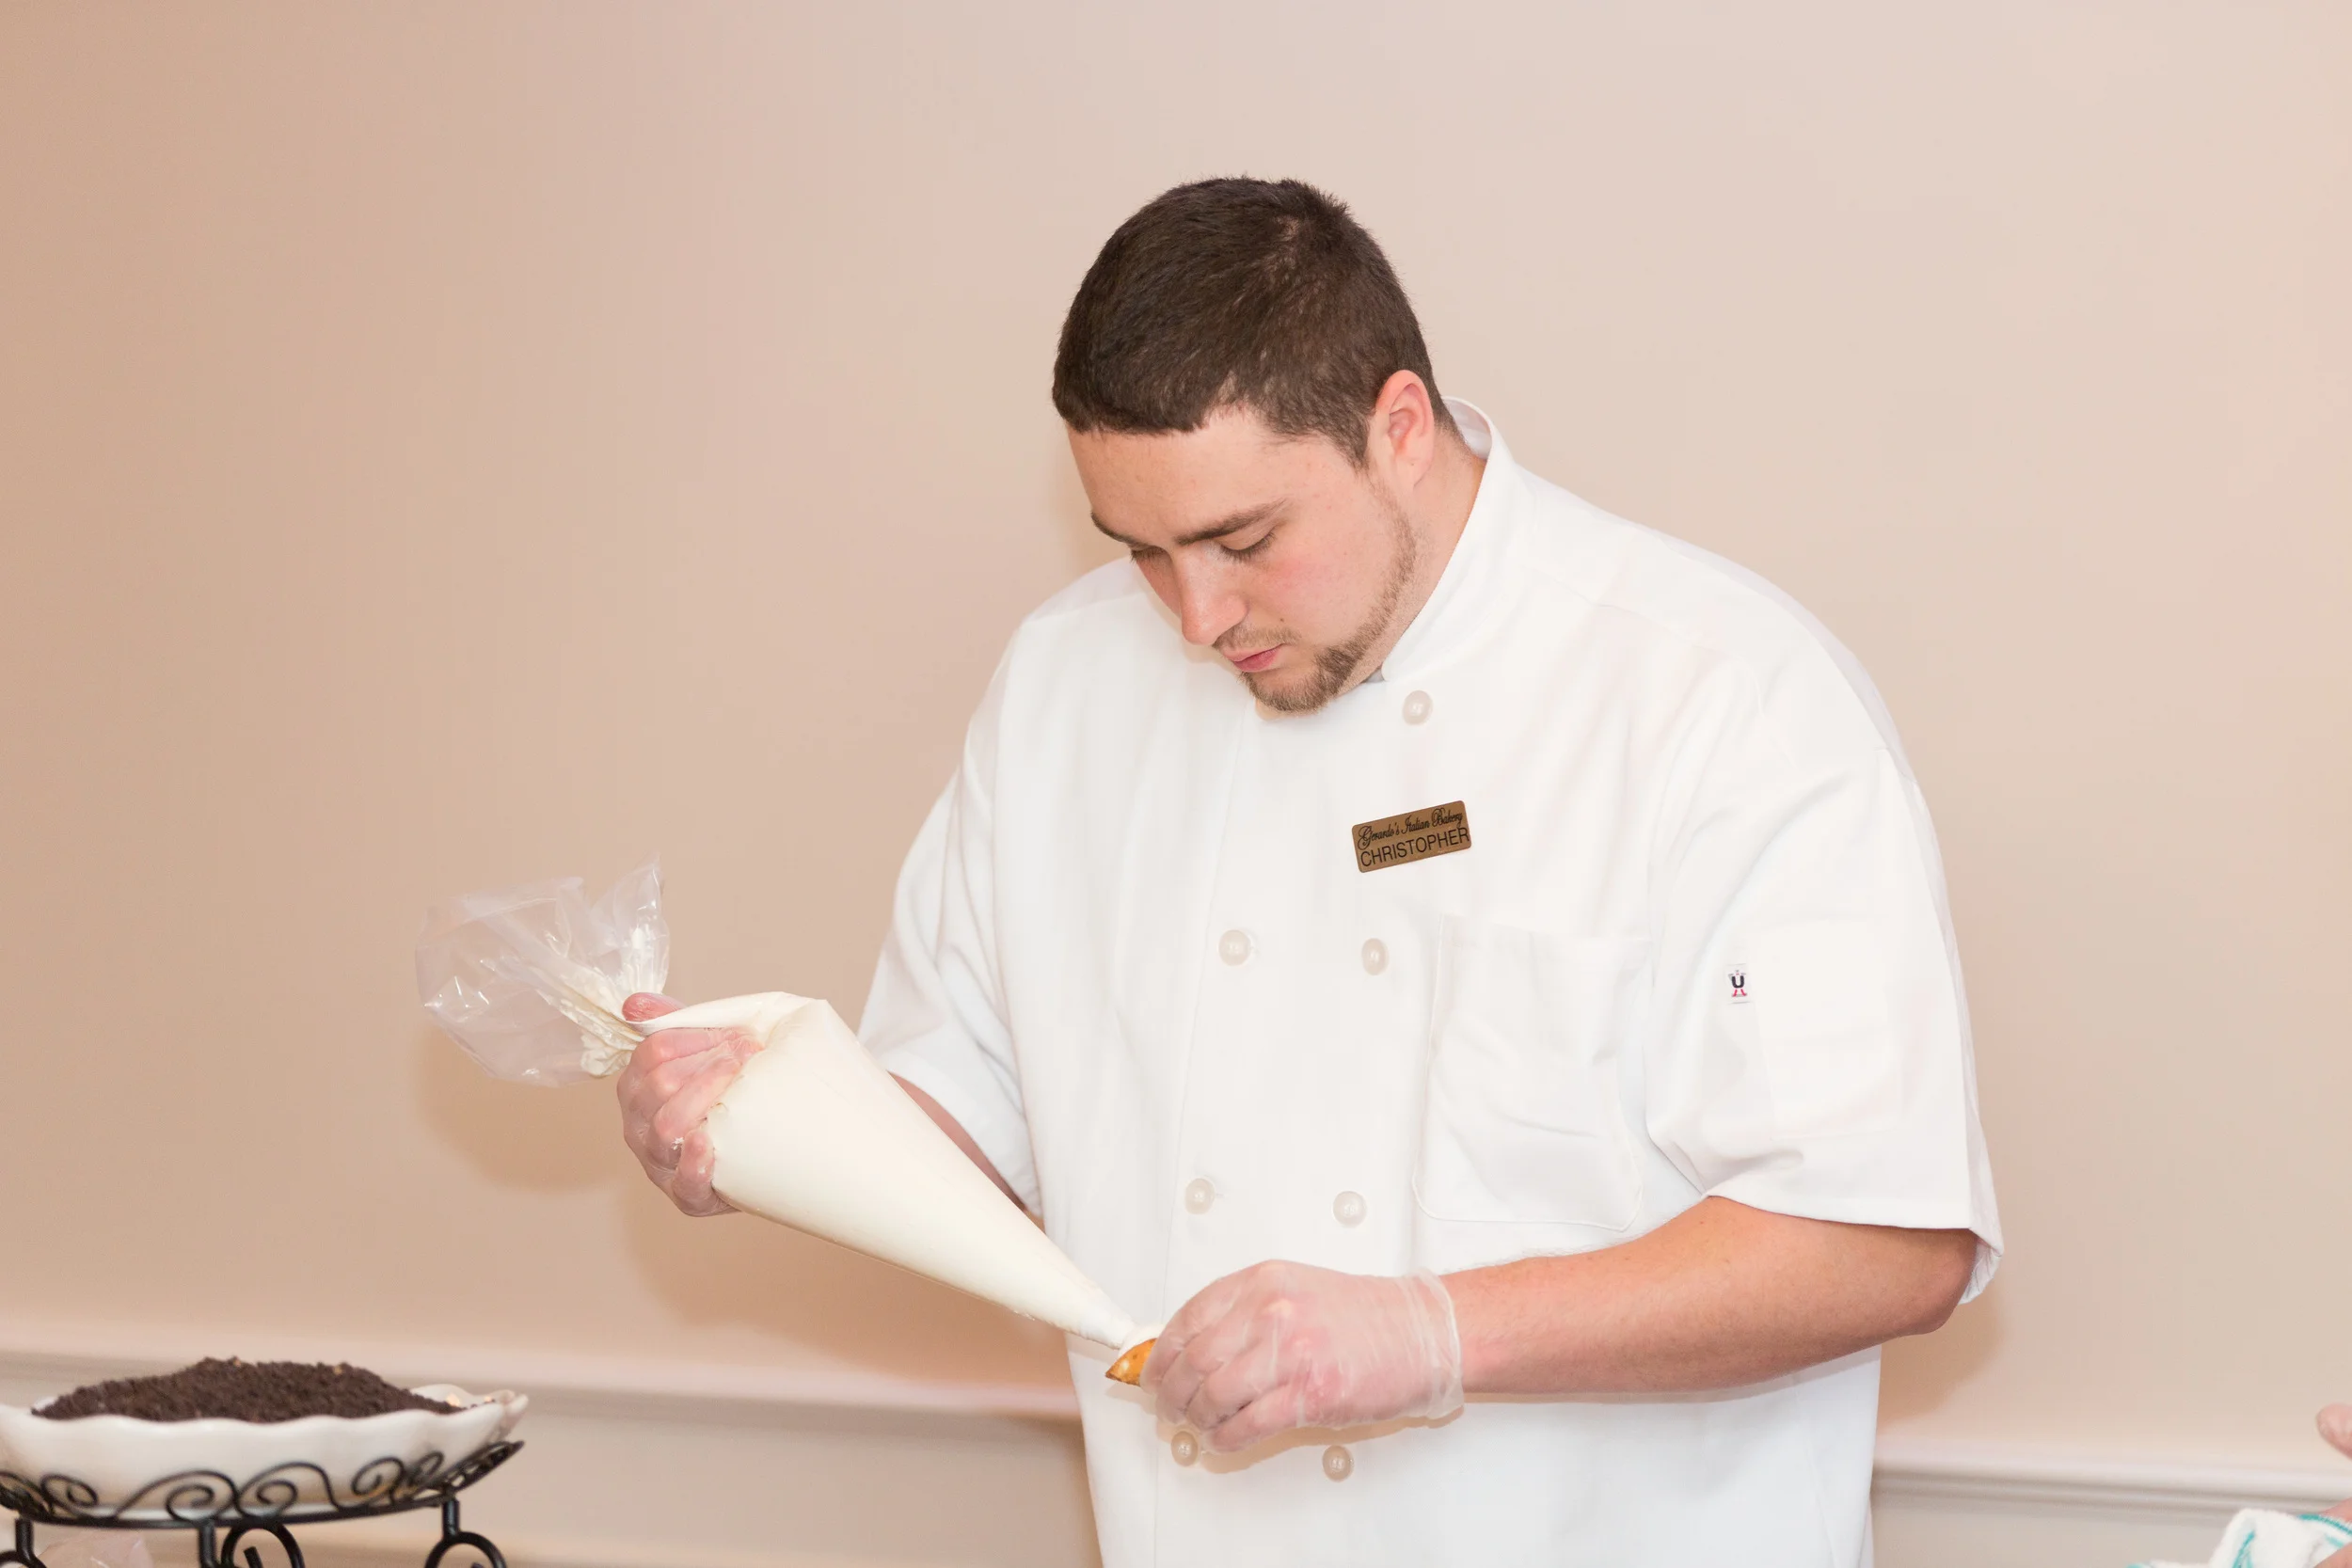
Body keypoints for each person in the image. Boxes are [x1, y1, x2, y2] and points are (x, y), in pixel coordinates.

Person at [615, 178, 2001, 1567]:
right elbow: (962, 1107)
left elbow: (1886, 1237)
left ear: (1399, 427)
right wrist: (767, 1128)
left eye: (1243, 540)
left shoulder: (1714, 696)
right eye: (1145, 553)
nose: (1200, 616)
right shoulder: (1062, 689)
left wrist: (1430, 1331)